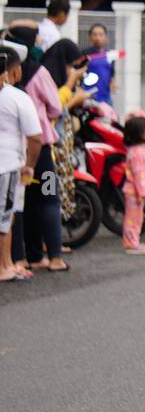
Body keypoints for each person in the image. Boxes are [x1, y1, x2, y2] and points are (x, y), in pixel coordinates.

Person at [18, 38, 75, 272]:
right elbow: (55, 106)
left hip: (17, 152)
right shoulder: (37, 71)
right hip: (41, 152)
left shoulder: (11, 80)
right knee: (50, 200)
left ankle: (33, 255)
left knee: (27, 203)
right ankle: (55, 257)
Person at [0, 44, 41, 282]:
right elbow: (35, 137)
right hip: (8, 165)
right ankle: (4, 267)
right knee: (5, 217)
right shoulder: (17, 98)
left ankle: (7, 263)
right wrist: (30, 164)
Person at [120, 115, 145, 255]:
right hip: (135, 191)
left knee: (136, 218)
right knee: (133, 219)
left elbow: (142, 174)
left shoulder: (137, 150)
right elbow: (139, 174)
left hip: (134, 190)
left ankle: (133, 241)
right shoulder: (138, 152)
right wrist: (143, 192)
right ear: (140, 133)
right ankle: (131, 243)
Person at [83, 23, 115, 106]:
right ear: (90, 37)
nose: (97, 38)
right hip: (90, 99)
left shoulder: (109, 55)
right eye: (94, 35)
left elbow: (111, 74)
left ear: (106, 37)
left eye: (101, 34)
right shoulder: (84, 55)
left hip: (106, 99)